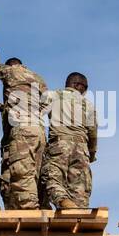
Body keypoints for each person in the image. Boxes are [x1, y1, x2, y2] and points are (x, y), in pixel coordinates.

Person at [0, 47, 51, 209]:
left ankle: (29, 209)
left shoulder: (11, 71)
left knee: (22, 172)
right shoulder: (38, 78)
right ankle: (42, 207)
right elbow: (46, 103)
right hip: (39, 131)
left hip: (22, 130)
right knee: (36, 172)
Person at [44, 71, 97, 209]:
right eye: (85, 89)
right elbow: (92, 133)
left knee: (53, 177)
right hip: (82, 148)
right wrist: (91, 153)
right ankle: (79, 212)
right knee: (80, 186)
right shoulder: (88, 105)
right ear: (78, 85)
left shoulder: (53, 96)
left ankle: (63, 201)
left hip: (60, 144)